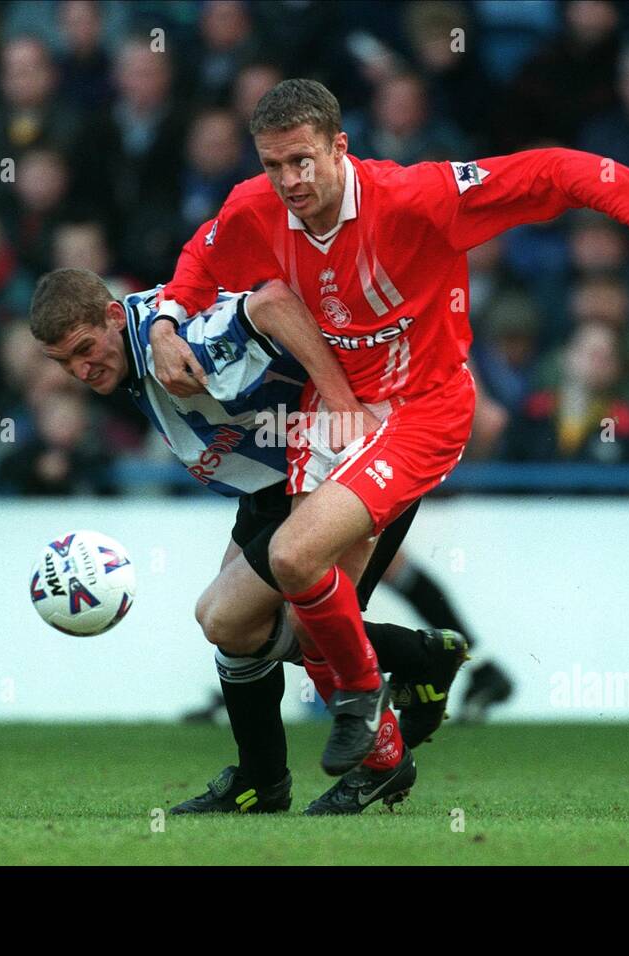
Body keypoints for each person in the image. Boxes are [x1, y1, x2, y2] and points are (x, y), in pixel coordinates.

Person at [149, 78, 629, 774]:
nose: (288, 180)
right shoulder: (255, 206)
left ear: (341, 148)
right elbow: (201, 259)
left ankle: (365, 703)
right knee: (299, 627)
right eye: (272, 164)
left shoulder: (417, 196)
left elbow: (558, 170)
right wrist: (163, 324)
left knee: (297, 560)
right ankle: (398, 730)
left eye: (301, 160)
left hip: (423, 407)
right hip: (335, 413)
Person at [28, 268, 469, 815]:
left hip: (346, 459)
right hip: (278, 481)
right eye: (64, 362)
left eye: (84, 349)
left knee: (258, 621)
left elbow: (275, 302)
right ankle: (266, 779)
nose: (80, 369)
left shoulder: (177, 341)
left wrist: (343, 407)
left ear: (115, 317)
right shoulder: (141, 348)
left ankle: (385, 750)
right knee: (238, 628)